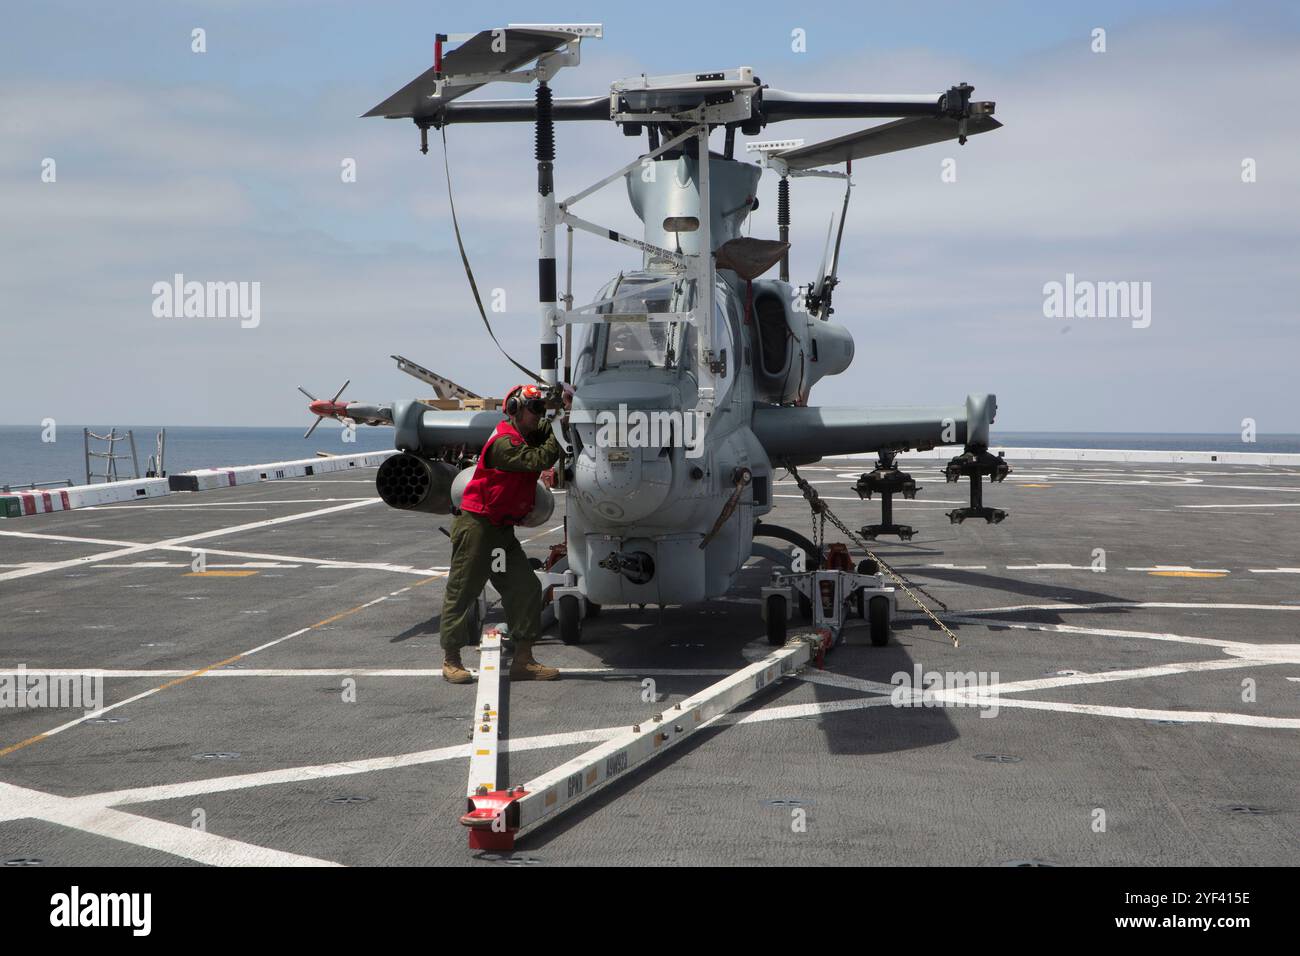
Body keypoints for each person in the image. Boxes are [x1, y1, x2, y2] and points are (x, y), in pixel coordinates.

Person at [440, 383, 568, 683]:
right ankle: (451, 660)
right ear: (514, 410)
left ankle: (523, 660)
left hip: (500, 532)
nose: (538, 416)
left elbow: (540, 440)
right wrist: (557, 426)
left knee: (525, 588)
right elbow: (539, 460)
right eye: (533, 410)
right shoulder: (504, 443)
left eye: (540, 410)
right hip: (477, 528)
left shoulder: (523, 435)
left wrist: (558, 409)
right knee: (463, 590)